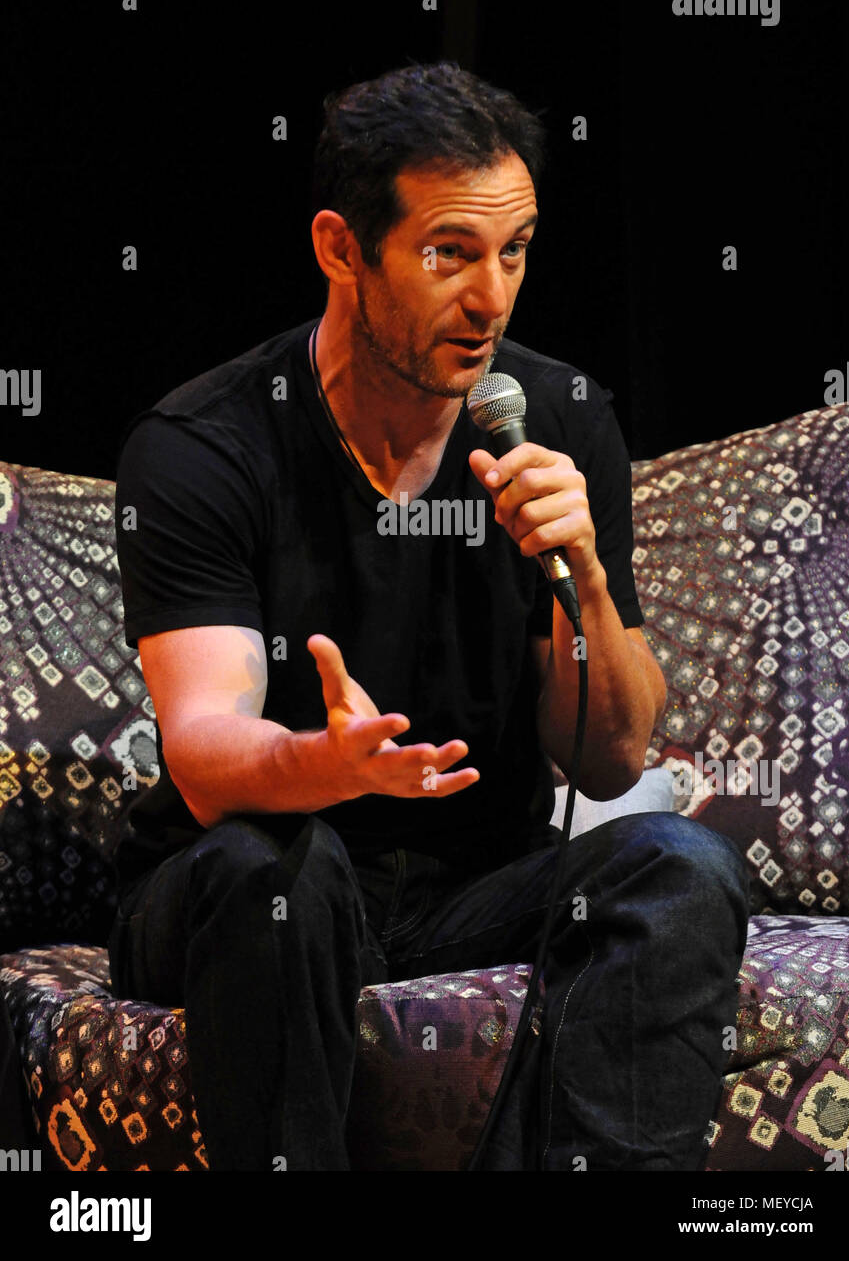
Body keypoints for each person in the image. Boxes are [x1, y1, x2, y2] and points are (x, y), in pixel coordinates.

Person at [107, 60, 749, 1172]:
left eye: (514, 250)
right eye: (450, 252)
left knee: (679, 866)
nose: (492, 297)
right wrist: (329, 760)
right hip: (255, 882)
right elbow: (208, 759)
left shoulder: (553, 419)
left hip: (471, 885)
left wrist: (586, 579)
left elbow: (607, 760)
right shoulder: (206, 447)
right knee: (273, 871)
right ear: (339, 249)